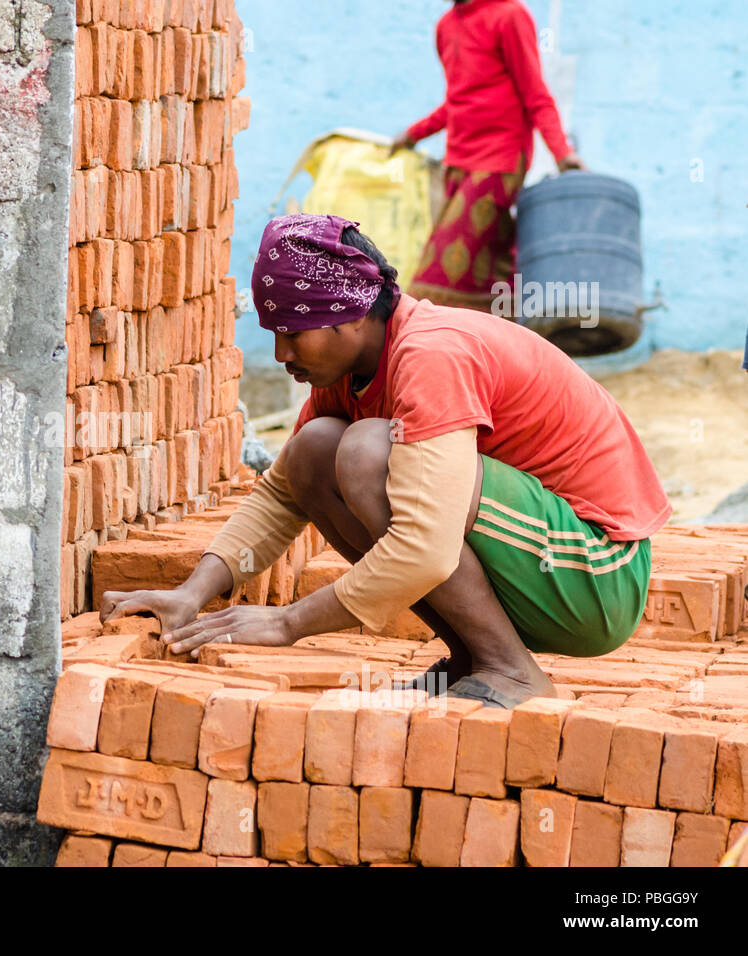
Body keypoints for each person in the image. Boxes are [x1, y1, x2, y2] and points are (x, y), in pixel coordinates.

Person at [101, 214, 670, 708]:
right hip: (542, 563)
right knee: (314, 449)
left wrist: (287, 622)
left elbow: (423, 549)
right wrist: (192, 593)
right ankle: (472, 658)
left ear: (351, 317)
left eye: (295, 333)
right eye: (273, 334)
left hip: (597, 576)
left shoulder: (432, 354)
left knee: (367, 453)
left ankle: (510, 670)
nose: (281, 355)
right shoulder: (350, 369)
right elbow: (283, 495)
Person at [390, 0, 585, 312]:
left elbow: (535, 94)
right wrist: (414, 133)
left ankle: (438, 333)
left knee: (440, 273)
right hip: (456, 162)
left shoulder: (510, 15)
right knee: (491, 265)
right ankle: (513, 337)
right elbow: (458, 100)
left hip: (499, 161)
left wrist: (562, 153)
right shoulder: (446, 26)